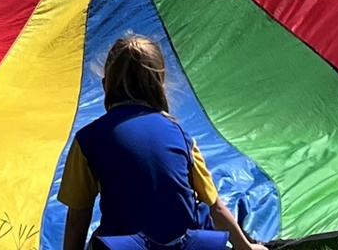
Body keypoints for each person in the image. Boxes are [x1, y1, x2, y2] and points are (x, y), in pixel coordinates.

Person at [57, 35, 270, 250]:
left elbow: (78, 219)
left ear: (105, 84)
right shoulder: (181, 136)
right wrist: (246, 247)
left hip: (128, 247)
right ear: (160, 84)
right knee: (200, 215)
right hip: (187, 247)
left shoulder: (89, 139)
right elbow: (216, 207)